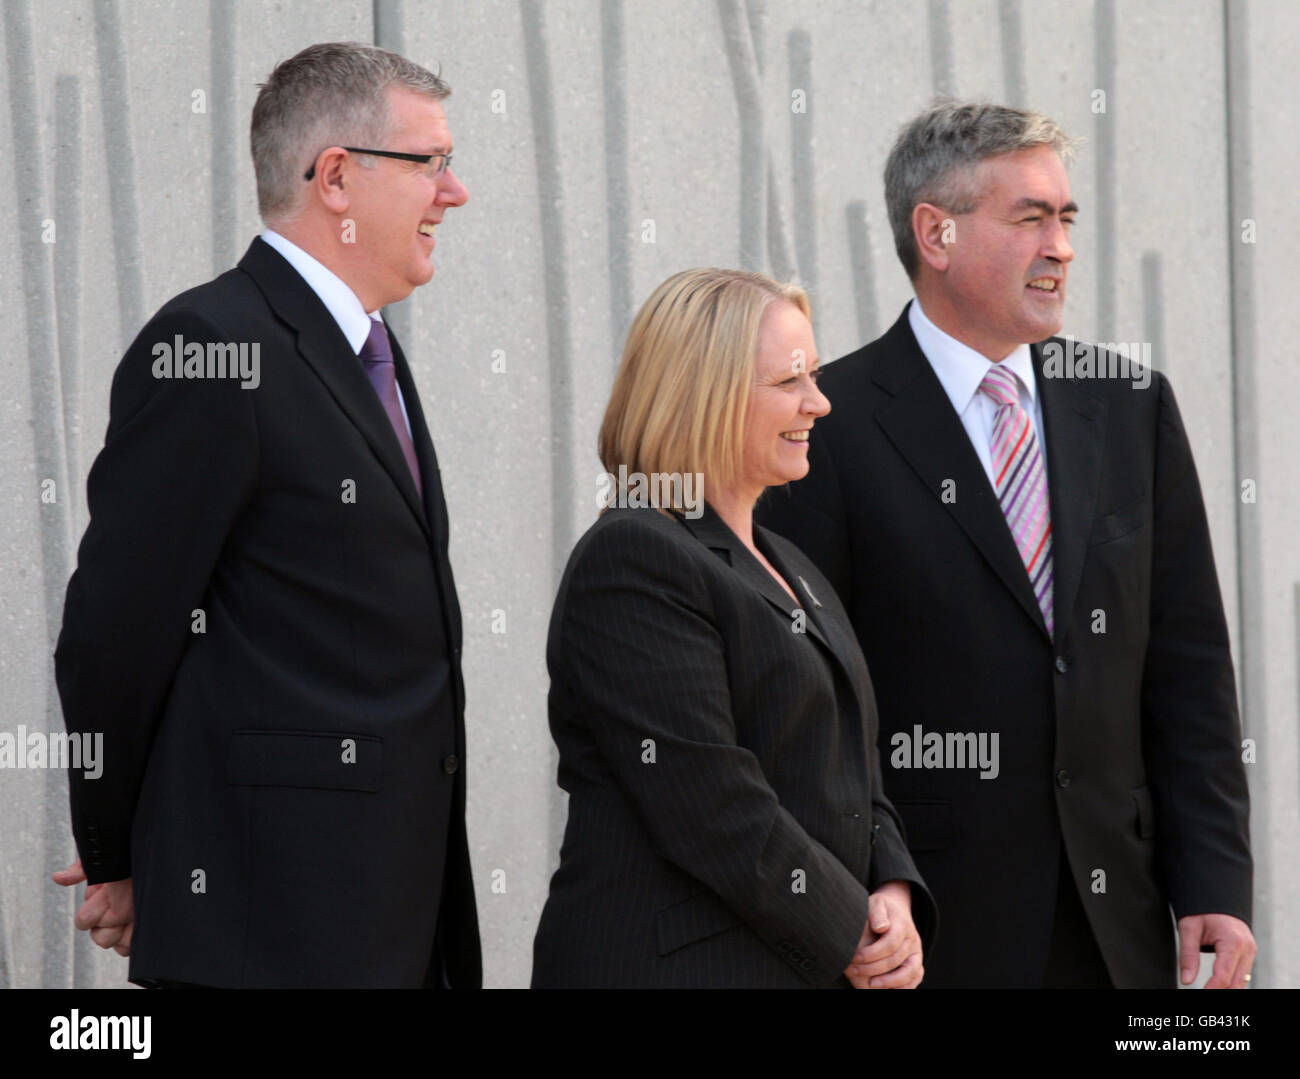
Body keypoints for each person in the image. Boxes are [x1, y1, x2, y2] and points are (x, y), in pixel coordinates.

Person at [757, 101, 1255, 988]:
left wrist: (1214, 881)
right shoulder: (823, 425)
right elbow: (814, 702)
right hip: (932, 926)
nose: (1060, 244)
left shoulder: (1131, 405)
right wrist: (870, 882)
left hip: (1121, 924)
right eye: (1030, 217)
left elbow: (1189, 669)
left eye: (1065, 218)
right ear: (935, 233)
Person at [51, 41, 479, 988]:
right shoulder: (211, 346)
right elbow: (115, 634)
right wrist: (122, 852)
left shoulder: (371, 354)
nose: (454, 193)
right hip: (269, 932)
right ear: (335, 177)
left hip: (394, 918)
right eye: (433, 162)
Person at [532, 268, 936, 988]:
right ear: (703, 394)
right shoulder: (635, 556)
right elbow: (711, 801)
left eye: (813, 375)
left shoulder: (794, 567)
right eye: (789, 381)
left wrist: (893, 893)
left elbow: (857, 772)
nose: (819, 401)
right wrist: (856, 933)